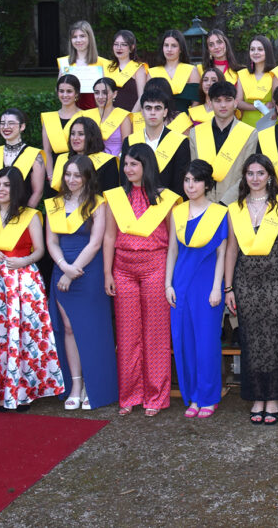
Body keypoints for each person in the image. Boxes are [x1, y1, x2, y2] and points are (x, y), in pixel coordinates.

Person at [0, 167, 62, 410]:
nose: (0, 189)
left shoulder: (30, 216)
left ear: (16, 188)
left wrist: (24, 261)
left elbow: (40, 250)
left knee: (24, 336)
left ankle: (22, 392)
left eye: (6, 185)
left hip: (23, 279)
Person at [103, 144, 180, 417]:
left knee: (155, 334)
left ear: (146, 165)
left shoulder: (165, 198)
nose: (128, 169)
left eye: (134, 164)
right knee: (127, 334)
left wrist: (169, 278)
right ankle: (129, 394)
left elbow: (173, 241)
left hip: (155, 266)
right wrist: (107, 273)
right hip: (122, 267)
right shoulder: (116, 198)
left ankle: (155, 396)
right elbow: (109, 237)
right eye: (125, 165)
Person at [224, 154, 278, 425]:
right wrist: (228, 287)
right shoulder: (236, 208)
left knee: (274, 340)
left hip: (275, 280)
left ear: (269, 176)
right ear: (245, 177)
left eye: (260, 173)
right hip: (244, 282)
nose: (255, 178)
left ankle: (274, 398)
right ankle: (256, 397)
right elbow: (231, 249)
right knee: (251, 341)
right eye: (250, 173)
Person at [44, 155, 117, 410]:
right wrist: (64, 267)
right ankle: (75, 384)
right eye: (68, 174)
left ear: (87, 177)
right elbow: (51, 241)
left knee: (91, 329)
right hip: (62, 267)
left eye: (77, 175)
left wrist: (73, 270)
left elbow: (96, 243)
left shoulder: (98, 203)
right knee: (68, 327)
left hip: (89, 270)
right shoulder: (53, 204)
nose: (71, 180)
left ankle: (93, 385)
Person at [165, 159, 229, 419]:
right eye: (187, 180)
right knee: (183, 342)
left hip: (207, 285)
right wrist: (168, 283)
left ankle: (209, 397)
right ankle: (192, 396)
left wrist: (218, 288)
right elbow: (172, 249)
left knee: (206, 342)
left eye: (196, 180)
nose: (191, 185)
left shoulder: (219, 213)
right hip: (180, 283)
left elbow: (222, 253)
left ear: (207, 183)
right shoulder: (177, 212)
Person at [190, 80, 258, 205]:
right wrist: (204, 201)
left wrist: (225, 202)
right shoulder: (196, 132)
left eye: (228, 100)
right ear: (210, 103)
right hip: (203, 203)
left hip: (236, 203)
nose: (223, 105)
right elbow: (194, 172)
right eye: (217, 100)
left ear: (236, 102)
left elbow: (248, 173)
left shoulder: (249, 133)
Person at [120, 88, 190, 191]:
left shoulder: (180, 142)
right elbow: (124, 179)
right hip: (134, 202)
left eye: (157, 108)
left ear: (165, 112)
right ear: (142, 112)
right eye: (148, 108)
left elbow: (180, 182)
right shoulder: (130, 141)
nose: (153, 113)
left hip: (167, 203)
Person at [0, 108, 44, 211]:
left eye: (11, 123)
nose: (6, 127)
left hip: (23, 219)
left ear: (22, 126)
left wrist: (23, 218)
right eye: (2, 123)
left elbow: (38, 192)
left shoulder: (34, 155)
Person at [50, 117, 120, 196]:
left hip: (95, 207)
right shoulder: (62, 159)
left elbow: (111, 196)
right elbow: (54, 193)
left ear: (92, 137)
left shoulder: (107, 162)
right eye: (72, 134)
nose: (75, 138)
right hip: (65, 206)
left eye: (81, 134)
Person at [57, 20, 110, 110]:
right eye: (74, 37)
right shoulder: (65, 63)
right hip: (71, 113)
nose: (78, 40)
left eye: (82, 36)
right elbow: (59, 90)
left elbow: (108, 93)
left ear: (90, 38)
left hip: (96, 113)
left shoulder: (103, 63)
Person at [41, 74, 83, 183]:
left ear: (76, 93)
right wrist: (50, 175)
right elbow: (47, 151)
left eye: (69, 91)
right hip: (55, 171)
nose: (65, 95)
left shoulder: (85, 116)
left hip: (79, 169)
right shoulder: (49, 118)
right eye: (61, 91)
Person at [149, 29, 201, 113]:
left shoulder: (191, 71)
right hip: (159, 121)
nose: (169, 49)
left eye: (174, 46)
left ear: (180, 49)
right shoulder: (152, 73)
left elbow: (196, 101)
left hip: (185, 122)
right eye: (166, 45)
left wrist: (187, 121)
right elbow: (148, 101)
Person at [84, 77, 133, 156]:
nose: (100, 97)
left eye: (105, 93)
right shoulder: (87, 115)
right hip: (90, 162)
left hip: (115, 162)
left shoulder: (123, 117)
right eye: (97, 93)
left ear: (114, 94)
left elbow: (126, 147)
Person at [236, 35, 278, 127]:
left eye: (260, 49)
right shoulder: (242, 74)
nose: (255, 52)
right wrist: (258, 106)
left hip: (268, 124)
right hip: (246, 125)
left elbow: (277, 103)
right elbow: (238, 102)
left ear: (267, 52)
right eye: (252, 49)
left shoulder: (275, 74)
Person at [106, 29, 148, 112]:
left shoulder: (138, 67)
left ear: (131, 47)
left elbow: (142, 96)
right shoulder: (108, 67)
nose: (119, 48)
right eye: (116, 44)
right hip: (110, 117)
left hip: (131, 115)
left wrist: (130, 117)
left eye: (123, 45)